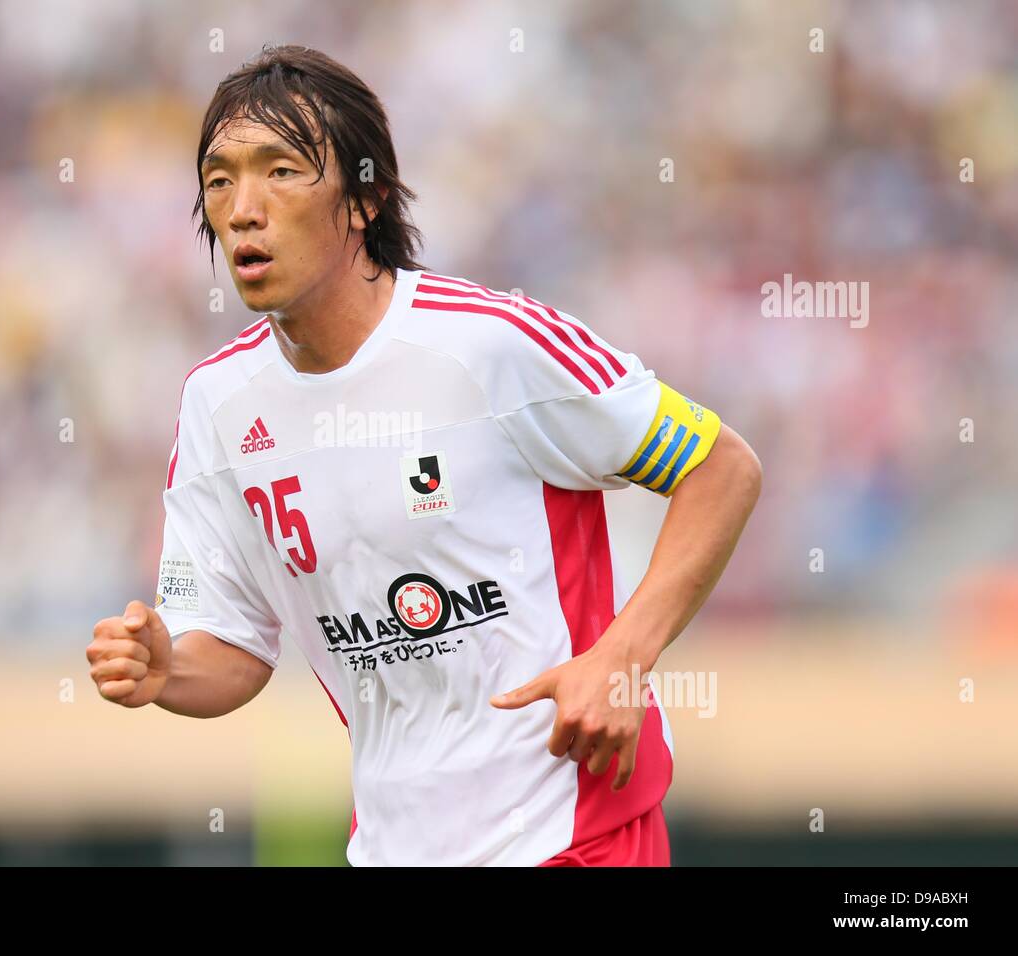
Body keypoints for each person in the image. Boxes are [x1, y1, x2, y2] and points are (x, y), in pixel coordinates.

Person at [86, 44, 762, 866]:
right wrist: (165, 671)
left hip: (570, 832)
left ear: (365, 197)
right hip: (395, 848)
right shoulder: (217, 406)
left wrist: (623, 655)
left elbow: (721, 467)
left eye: (282, 171)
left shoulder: (490, 344)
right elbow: (231, 648)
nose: (243, 208)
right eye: (220, 179)